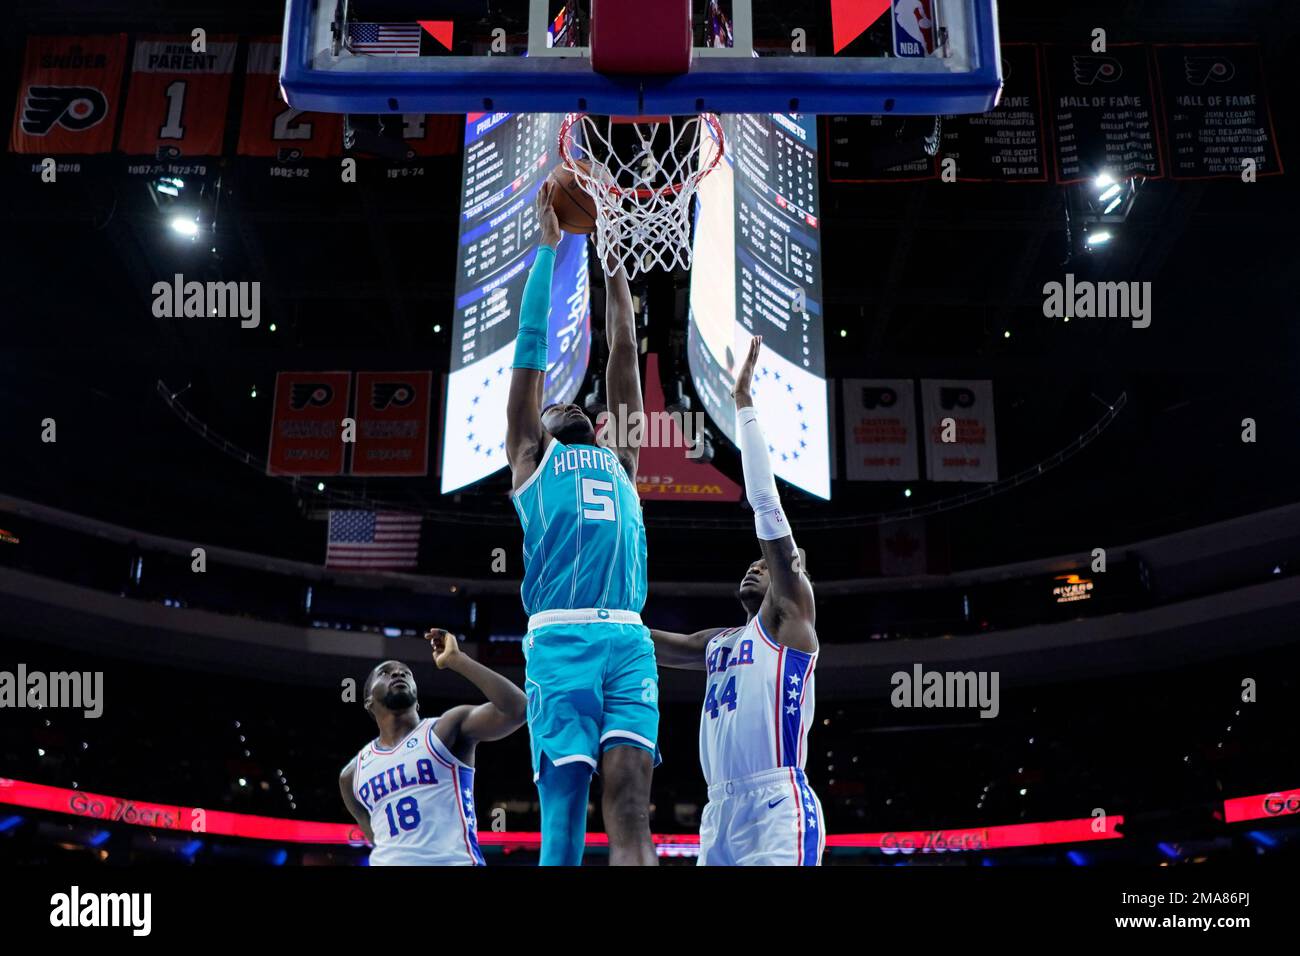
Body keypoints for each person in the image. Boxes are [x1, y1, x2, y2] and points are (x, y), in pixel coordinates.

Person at [504, 179, 658, 865]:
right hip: (559, 639)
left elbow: (625, 351)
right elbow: (530, 351)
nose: (562, 402)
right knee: (563, 819)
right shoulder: (530, 456)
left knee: (628, 806)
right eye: (550, 402)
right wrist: (548, 251)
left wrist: (614, 254)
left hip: (629, 639)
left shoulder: (620, 455)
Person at [649, 336, 824, 865]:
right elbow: (644, 641)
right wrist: (574, 615)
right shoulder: (719, 642)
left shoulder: (790, 620)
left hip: (777, 803)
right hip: (718, 812)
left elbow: (766, 503)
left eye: (765, 566)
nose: (756, 567)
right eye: (750, 564)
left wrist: (743, 400)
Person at [338, 629, 527, 865]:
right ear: (368, 701)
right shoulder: (352, 775)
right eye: (385, 673)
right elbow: (378, 838)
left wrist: (458, 660)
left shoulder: (445, 729)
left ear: (417, 700)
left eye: (406, 673)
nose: (398, 673)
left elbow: (518, 709)